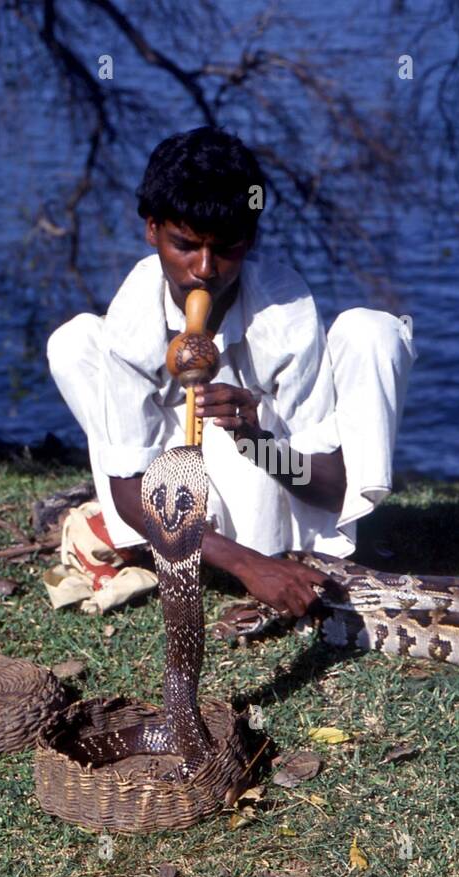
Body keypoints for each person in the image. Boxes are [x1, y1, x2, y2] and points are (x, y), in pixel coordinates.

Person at [47, 126, 415, 618]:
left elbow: (329, 487)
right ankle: (182, 551)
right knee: (72, 342)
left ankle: (271, 557)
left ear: (250, 239)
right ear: (152, 228)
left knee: (374, 331)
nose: (205, 269)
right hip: (186, 503)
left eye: (226, 249)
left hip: (284, 509)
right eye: (184, 245)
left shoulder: (285, 309)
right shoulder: (133, 315)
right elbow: (129, 487)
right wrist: (246, 567)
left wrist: (256, 441)